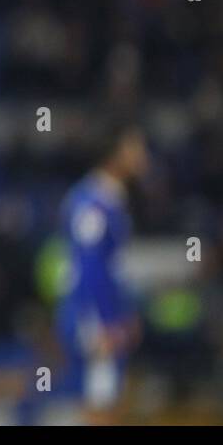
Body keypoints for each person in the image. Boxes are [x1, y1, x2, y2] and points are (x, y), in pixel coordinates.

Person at [56, 123, 149, 425]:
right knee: (99, 405)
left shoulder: (111, 199)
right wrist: (103, 324)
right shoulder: (92, 203)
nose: (142, 156)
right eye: (134, 148)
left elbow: (114, 269)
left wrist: (125, 313)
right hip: (94, 316)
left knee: (108, 400)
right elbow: (88, 266)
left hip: (108, 314)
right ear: (114, 154)